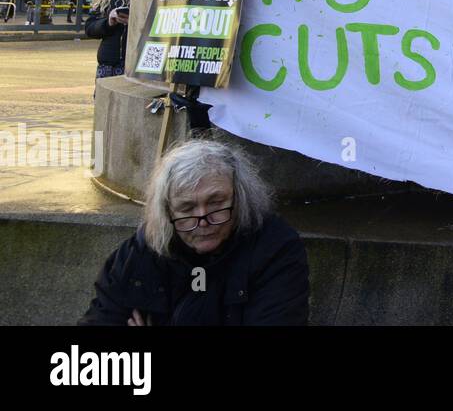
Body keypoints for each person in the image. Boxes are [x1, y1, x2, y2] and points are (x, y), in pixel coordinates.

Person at [79, 138, 309, 325]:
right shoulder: (140, 251)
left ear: (241, 198)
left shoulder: (275, 248)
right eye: (186, 208)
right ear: (167, 212)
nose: (203, 220)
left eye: (216, 203)